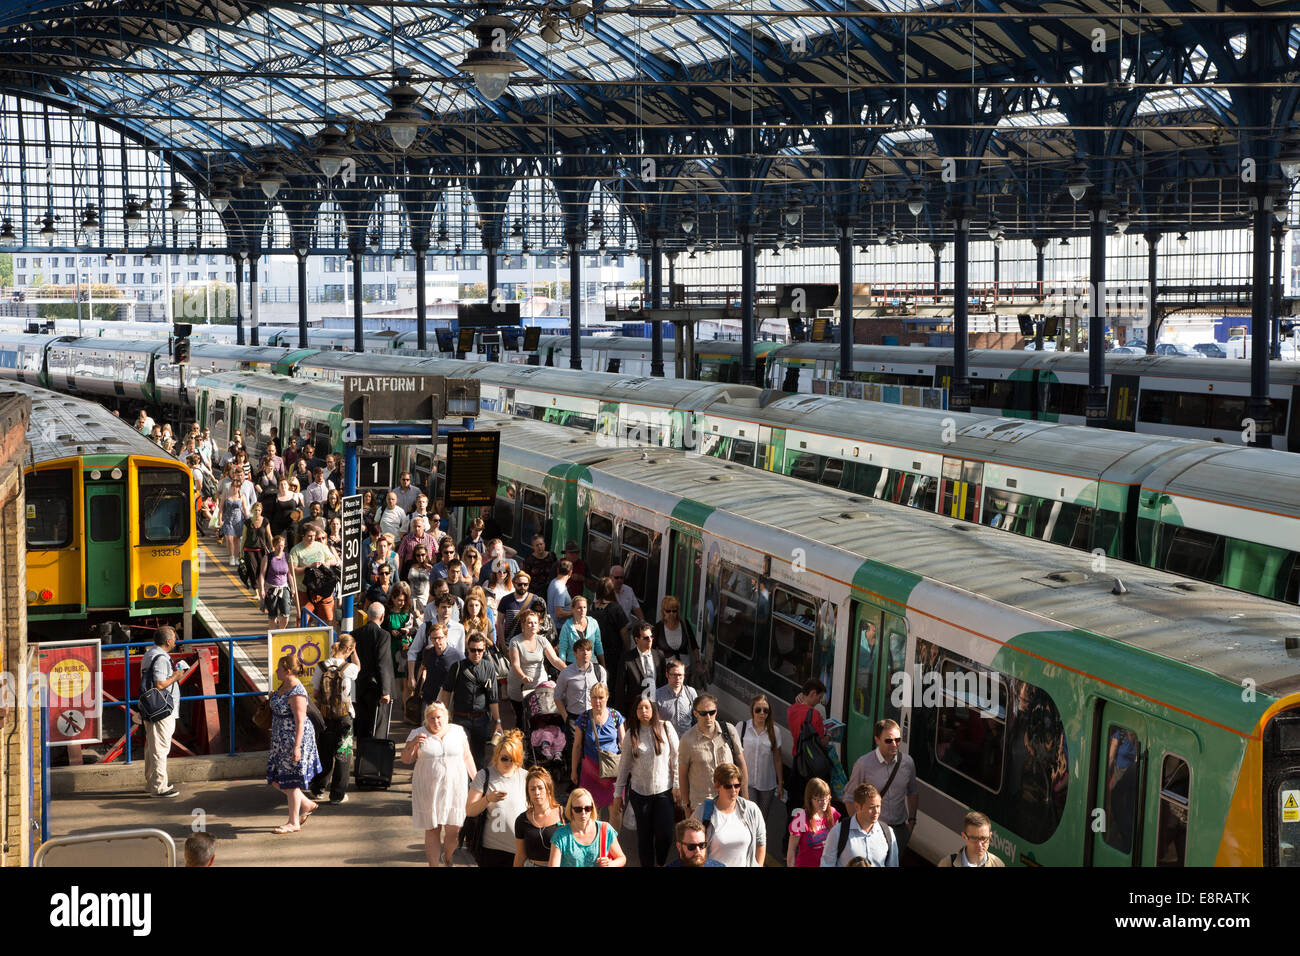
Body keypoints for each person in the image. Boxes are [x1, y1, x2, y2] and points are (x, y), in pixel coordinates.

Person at [401, 702, 476, 866]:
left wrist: (477, 782)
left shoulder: (458, 731)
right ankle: (433, 864)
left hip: (455, 788)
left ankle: (448, 857)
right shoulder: (417, 733)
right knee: (433, 828)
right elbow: (406, 759)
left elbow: (467, 757)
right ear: (426, 719)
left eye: (439, 718)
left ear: (446, 717)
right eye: (431, 718)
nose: (436, 722)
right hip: (429, 789)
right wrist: (413, 744)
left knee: (454, 830)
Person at [612, 697, 679, 867]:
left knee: (665, 834)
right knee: (645, 837)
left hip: (664, 791)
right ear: (635, 712)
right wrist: (617, 794)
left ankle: (662, 862)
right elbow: (624, 765)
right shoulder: (631, 734)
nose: (644, 711)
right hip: (640, 794)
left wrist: (677, 785)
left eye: (647, 708)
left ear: (653, 710)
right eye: (640, 708)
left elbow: (677, 758)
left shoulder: (665, 728)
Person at [843, 717, 918, 856]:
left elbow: (912, 792)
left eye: (898, 740)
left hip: (899, 830)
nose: (894, 744)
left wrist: (912, 821)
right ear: (877, 740)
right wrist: (860, 829)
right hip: (874, 830)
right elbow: (848, 798)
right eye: (889, 740)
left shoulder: (907, 763)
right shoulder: (863, 764)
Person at [266, 653, 323, 834]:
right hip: (281, 740)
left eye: (279, 669)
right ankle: (306, 804)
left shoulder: (297, 691)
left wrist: (297, 747)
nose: (276, 672)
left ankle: (293, 822)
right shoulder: (283, 686)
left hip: (293, 739)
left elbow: (300, 721)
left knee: (290, 781)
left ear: (288, 671)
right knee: (276, 778)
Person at [140, 626, 197, 798]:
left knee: (151, 746)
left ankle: (151, 783)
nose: (175, 641)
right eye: (174, 638)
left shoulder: (149, 654)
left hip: (151, 707)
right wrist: (176, 676)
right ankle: (159, 787)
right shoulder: (161, 658)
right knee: (160, 748)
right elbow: (159, 683)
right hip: (161, 710)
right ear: (168, 641)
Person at [465, 730, 528, 867]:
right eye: (505, 758)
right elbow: (470, 810)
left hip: (519, 851)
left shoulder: (527, 777)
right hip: (492, 851)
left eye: (514, 759)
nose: (508, 763)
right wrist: (488, 799)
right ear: (497, 755)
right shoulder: (484, 776)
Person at [439, 632, 503, 767]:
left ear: (484, 650)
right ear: (467, 649)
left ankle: (476, 785)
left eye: (480, 650)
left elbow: (493, 698)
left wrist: (498, 722)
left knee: (479, 757)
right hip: (461, 719)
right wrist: (443, 717)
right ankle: (463, 786)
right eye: (473, 650)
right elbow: (446, 693)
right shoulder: (457, 667)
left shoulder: (489, 667)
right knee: (461, 756)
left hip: (481, 719)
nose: (476, 653)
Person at [678, 693, 748, 814]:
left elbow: (741, 764)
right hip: (703, 804)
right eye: (703, 713)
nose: (708, 717)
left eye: (712, 712)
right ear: (695, 713)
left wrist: (745, 797)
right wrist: (686, 806)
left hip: (729, 800)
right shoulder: (687, 740)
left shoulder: (729, 730)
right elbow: (683, 775)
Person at [310, 635, 359, 805]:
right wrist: (354, 654)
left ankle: (318, 789)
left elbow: (315, 693)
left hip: (325, 716)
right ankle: (337, 795)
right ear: (348, 649)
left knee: (324, 752)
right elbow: (359, 668)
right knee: (343, 754)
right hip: (344, 716)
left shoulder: (321, 666)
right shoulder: (350, 668)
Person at [571, 682, 624, 819]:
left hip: (612, 770)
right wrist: (573, 770)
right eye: (594, 697)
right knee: (591, 812)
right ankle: (595, 840)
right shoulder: (583, 718)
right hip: (590, 771)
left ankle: (613, 840)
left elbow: (623, 743)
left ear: (607, 697)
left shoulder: (615, 716)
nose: (597, 701)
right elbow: (576, 746)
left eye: (601, 697)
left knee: (616, 810)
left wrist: (628, 768)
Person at [698, 763, 767, 867]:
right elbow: (690, 845)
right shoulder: (702, 812)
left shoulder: (751, 810)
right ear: (717, 785)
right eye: (728, 786)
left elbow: (760, 842)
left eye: (737, 785)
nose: (733, 790)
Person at [506, 607, 564, 728]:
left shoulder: (542, 640)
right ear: (523, 624)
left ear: (539, 626)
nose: (533, 625)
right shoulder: (515, 641)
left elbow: (555, 660)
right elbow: (515, 664)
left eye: (535, 623)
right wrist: (523, 676)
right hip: (519, 685)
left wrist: (567, 670)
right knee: (521, 718)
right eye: (529, 622)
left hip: (539, 686)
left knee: (540, 718)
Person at [785, 678, 829, 836]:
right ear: (812, 693)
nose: (819, 701)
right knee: (810, 803)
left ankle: (789, 838)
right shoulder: (815, 715)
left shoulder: (791, 710)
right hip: (811, 766)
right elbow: (821, 742)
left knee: (794, 803)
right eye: (819, 697)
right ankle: (808, 836)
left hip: (797, 760)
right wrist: (829, 735)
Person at [739, 693, 786, 835]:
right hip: (747, 782)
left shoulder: (775, 731)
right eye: (758, 709)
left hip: (767, 783)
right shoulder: (742, 727)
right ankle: (749, 844)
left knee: (762, 818)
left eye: (765, 710)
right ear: (752, 710)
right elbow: (735, 754)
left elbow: (777, 758)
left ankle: (758, 844)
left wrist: (780, 783)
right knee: (749, 816)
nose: (762, 713)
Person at [821, 783, 899, 867]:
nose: (876, 811)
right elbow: (827, 864)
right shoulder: (838, 832)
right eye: (871, 807)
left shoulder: (888, 833)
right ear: (857, 806)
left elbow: (893, 864)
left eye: (878, 806)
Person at [548, 788, 626, 867]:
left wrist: (611, 864)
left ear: (592, 809)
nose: (583, 813)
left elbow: (621, 858)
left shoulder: (605, 829)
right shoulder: (560, 836)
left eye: (587, 808)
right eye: (578, 809)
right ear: (571, 809)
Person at [352, 601, 395, 740]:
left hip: (359, 686)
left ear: (367, 615)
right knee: (377, 727)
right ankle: (372, 758)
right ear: (382, 617)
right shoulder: (383, 635)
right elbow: (383, 663)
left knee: (362, 726)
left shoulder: (355, 634)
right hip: (376, 688)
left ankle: (360, 756)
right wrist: (386, 691)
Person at [290, 523, 341, 625]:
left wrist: (327, 563)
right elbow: (293, 571)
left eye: (313, 536)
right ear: (302, 536)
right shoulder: (295, 550)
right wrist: (310, 567)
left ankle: (328, 640)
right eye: (309, 536)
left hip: (323, 589)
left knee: (328, 618)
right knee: (304, 621)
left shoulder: (321, 546)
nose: (312, 538)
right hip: (305, 591)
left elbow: (334, 560)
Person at [514, 766, 563, 867]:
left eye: (540, 788)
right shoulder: (522, 820)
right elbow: (520, 855)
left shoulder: (563, 814)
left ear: (548, 789)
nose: (537, 793)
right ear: (528, 793)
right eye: (532, 789)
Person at [615, 622, 666, 716]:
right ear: (637, 639)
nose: (650, 640)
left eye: (651, 637)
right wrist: (621, 716)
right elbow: (620, 690)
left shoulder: (659, 656)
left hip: (656, 708)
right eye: (646, 638)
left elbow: (663, 683)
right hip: (635, 710)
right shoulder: (627, 659)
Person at [786, 777, 840, 868]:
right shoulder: (801, 818)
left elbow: (837, 842)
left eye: (826, 799)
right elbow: (791, 850)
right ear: (810, 799)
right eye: (819, 800)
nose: (824, 803)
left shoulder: (833, 813)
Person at [553, 638, 607, 724]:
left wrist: (602, 715)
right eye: (582, 650)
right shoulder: (566, 673)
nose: (585, 653)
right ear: (575, 653)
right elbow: (557, 696)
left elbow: (604, 695)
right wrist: (566, 718)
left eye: (588, 650)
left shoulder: (600, 671)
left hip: (594, 717)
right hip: (574, 718)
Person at [384, 584, 418, 699]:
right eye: (399, 600)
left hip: (405, 649)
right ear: (393, 598)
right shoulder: (387, 612)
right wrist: (390, 631)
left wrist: (408, 630)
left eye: (404, 600)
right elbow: (381, 629)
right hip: (391, 649)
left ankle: (406, 706)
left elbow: (417, 629)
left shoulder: (408, 612)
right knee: (393, 678)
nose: (402, 603)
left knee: (406, 679)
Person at [937, 810, 1005, 867]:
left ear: (990, 836)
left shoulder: (998, 864)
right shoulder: (947, 864)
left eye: (983, 838)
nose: (979, 845)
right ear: (964, 837)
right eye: (974, 838)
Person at [590, 577, 630, 671]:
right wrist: (627, 650)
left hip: (595, 651)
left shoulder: (591, 608)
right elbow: (624, 632)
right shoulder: (616, 608)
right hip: (613, 653)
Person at [652, 596, 699, 670]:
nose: (671, 614)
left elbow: (694, 645)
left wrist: (698, 662)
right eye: (668, 611)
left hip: (685, 669)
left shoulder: (684, 624)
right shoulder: (658, 627)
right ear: (663, 611)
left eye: (674, 611)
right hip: (667, 671)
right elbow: (652, 648)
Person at [654, 659, 698, 739]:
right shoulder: (657, 695)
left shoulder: (691, 693)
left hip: (687, 742)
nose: (678, 678)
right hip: (666, 741)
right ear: (667, 675)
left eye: (680, 675)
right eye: (674, 675)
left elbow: (697, 718)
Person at [556, 595, 604, 665]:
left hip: (592, 663)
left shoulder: (593, 623)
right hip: (573, 665)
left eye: (584, 607)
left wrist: (603, 665)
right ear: (572, 609)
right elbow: (562, 649)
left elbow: (598, 645)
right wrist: (563, 669)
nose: (582, 610)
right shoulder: (566, 626)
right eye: (579, 608)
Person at [262, 534, 296, 631]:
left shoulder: (287, 557)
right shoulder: (267, 558)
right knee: (272, 615)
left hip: (284, 587)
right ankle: (273, 634)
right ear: (274, 545)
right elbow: (262, 574)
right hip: (271, 588)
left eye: (282, 545)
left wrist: (293, 588)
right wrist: (262, 589)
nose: (280, 548)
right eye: (278, 545)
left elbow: (290, 574)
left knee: (286, 614)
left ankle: (281, 631)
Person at [218, 463, 246, 566]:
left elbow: (246, 510)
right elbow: (220, 508)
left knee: (237, 540)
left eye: (237, 486)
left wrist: (250, 520)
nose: (235, 487)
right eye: (233, 485)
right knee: (229, 539)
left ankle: (237, 556)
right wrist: (220, 519)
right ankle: (231, 557)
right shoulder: (226, 494)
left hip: (238, 520)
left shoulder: (242, 496)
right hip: (228, 519)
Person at [241, 500, 272, 593]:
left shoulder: (265, 521)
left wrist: (273, 547)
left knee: (262, 570)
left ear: (261, 511)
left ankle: (263, 588)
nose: (257, 512)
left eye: (259, 510)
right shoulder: (247, 522)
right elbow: (244, 537)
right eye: (255, 510)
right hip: (249, 549)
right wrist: (240, 551)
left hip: (261, 550)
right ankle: (256, 590)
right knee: (252, 570)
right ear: (252, 511)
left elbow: (269, 535)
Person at [405, 544, 435, 616]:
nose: (420, 557)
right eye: (418, 555)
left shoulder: (430, 567)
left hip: (424, 601)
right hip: (412, 600)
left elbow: (433, 585)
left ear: (426, 554)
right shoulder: (410, 565)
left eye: (423, 554)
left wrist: (431, 569)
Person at [547, 558, 574, 625]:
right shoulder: (560, 589)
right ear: (570, 573)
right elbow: (559, 614)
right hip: (558, 628)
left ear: (558, 570)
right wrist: (575, 612)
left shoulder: (553, 581)